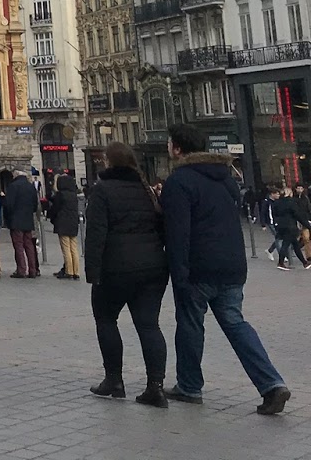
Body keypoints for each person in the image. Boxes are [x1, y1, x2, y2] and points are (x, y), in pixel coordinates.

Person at [161, 123, 291, 415]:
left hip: (198, 267)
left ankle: (190, 386)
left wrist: (178, 273)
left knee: (191, 326)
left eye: (170, 143)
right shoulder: (225, 178)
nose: (168, 148)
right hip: (232, 265)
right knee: (236, 324)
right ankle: (271, 383)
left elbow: (178, 232)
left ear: (178, 148)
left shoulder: (179, 181)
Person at [83, 141, 168, 406]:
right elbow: (161, 227)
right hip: (152, 267)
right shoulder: (147, 190)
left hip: (115, 268)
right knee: (149, 325)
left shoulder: (102, 190)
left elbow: (96, 233)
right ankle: (155, 386)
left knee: (106, 320)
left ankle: (114, 379)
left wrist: (92, 271)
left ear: (109, 162)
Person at [4, 168, 40, 278]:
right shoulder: (31, 186)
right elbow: (35, 204)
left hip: (16, 220)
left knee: (18, 245)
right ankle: (33, 270)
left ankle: (21, 270)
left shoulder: (13, 186)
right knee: (29, 245)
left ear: (15, 175)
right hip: (28, 219)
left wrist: (7, 218)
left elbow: (8, 205)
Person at [267, 188, 309, 271]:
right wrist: (307, 225)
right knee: (285, 245)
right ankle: (281, 262)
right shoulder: (291, 202)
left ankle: (304, 262)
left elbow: (274, 214)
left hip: (281, 226)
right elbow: (298, 215)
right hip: (290, 226)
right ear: (289, 193)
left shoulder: (277, 202)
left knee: (295, 244)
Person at [50, 174, 82, 280]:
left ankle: (69, 271)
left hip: (63, 223)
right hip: (73, 223)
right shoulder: (73, 195)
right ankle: (76, 271)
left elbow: (55, 208)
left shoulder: (61, 195)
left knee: (66, 248)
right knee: (74, 248)